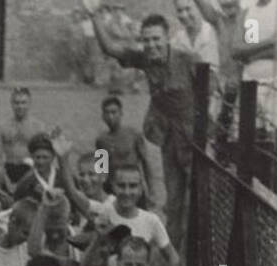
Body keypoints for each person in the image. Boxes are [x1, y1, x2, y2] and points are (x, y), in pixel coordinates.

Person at [84, 0, 196, 250]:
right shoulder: (101, 141)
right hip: (163, 148)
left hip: (194, 142)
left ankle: (193, 260)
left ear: (167, 38)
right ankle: (171, 259)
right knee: (174, 206)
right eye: (146, 40)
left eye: (156, 39)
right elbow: (112, 48)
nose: (151, 45)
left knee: (194, 204)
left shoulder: (132, 135)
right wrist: (94, 16)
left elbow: (145, 162)